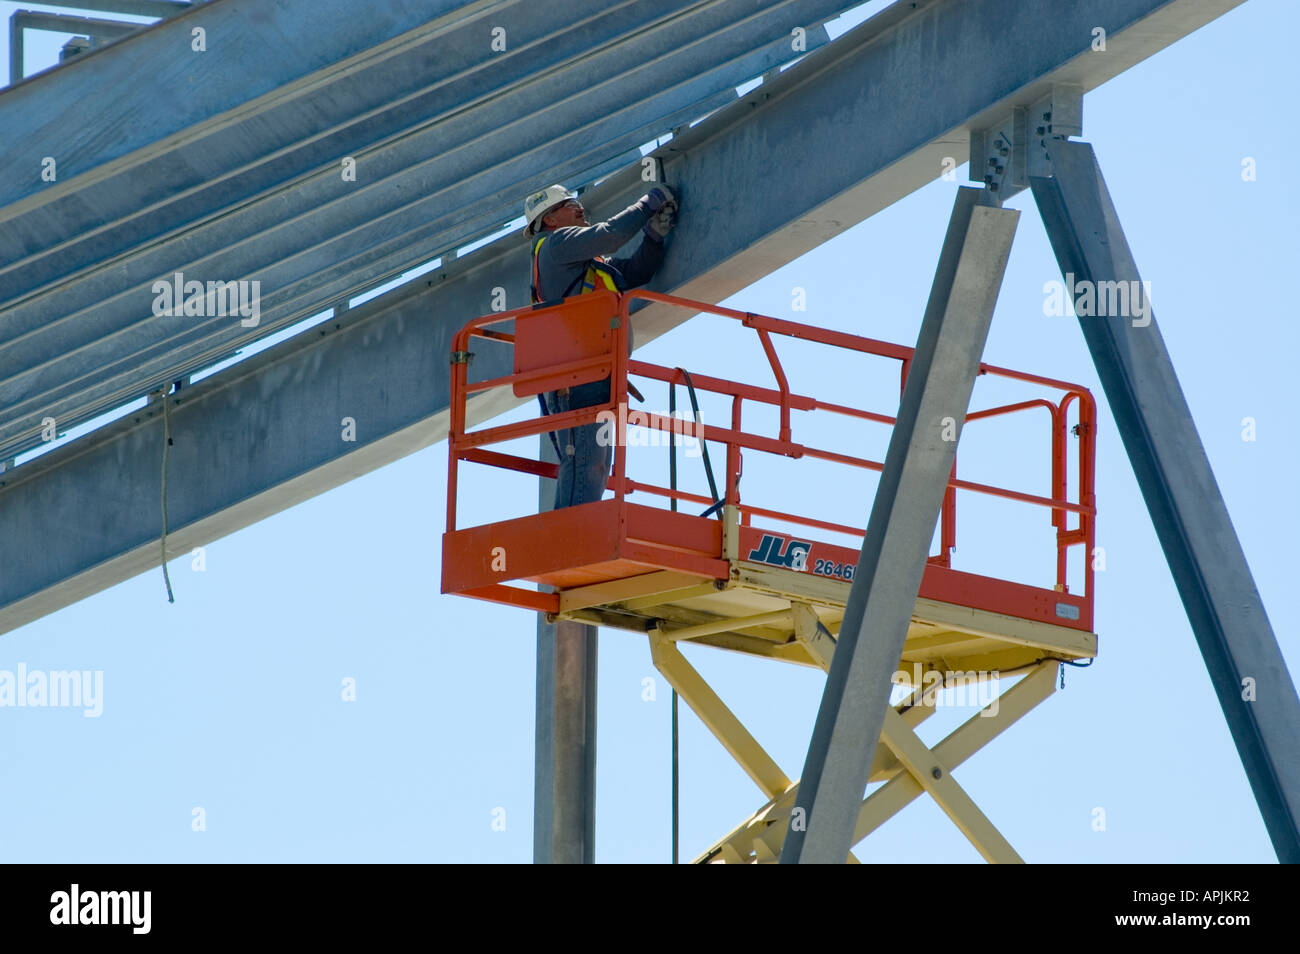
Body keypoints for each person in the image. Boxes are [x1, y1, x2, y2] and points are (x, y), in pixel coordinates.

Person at [523, 183, 678, 509]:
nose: (580, 208)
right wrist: (647, 204)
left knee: (589, 464)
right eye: (569, 204)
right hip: (579, 377)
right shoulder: (556, 244)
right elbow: (610, 233)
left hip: (594, 374)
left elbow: (634, 272)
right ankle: (571, 539)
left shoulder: (587, 264)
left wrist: (653, 237)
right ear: (549, 220)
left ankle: (572, 536)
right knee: (584, 464)